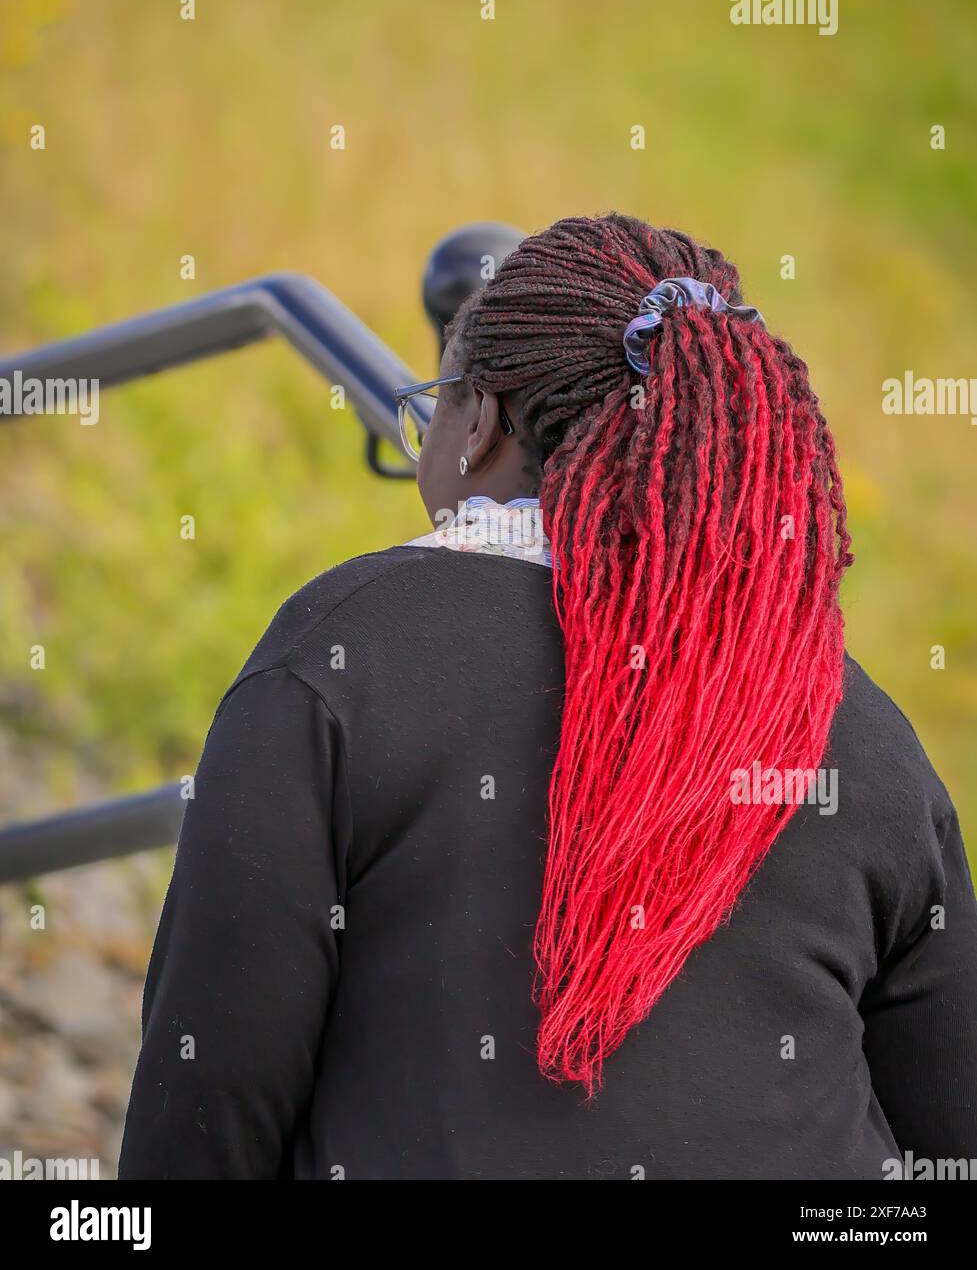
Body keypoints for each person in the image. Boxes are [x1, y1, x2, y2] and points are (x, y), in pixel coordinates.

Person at [119, 213, 977, 1180]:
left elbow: (209, 1104)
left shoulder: (339, 652)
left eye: (432, 402)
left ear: (479, 420)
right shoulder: (861, 734)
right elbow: (952, 1133)